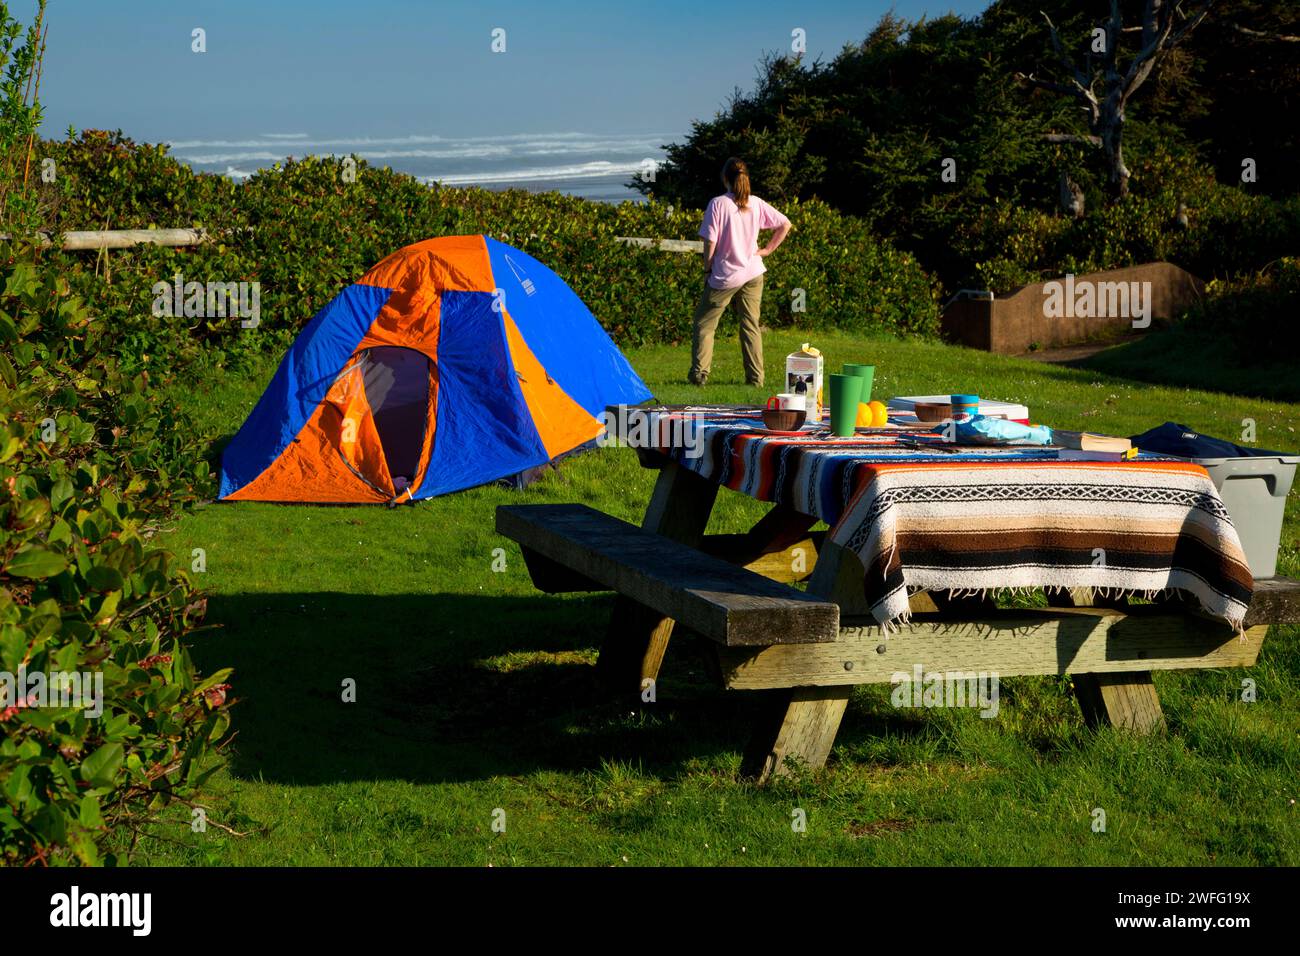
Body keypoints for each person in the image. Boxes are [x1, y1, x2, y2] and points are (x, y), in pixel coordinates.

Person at [688, 157, 792, 387]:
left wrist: (707, 268)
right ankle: (756, 379)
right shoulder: (755, 202)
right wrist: (766, 250)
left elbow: (710, 242)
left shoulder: (718, 204)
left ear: (725, 178)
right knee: (750, 325)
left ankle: (700, 374)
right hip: (753, 272)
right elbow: (785, 224)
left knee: (705, 324)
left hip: (725, 275)